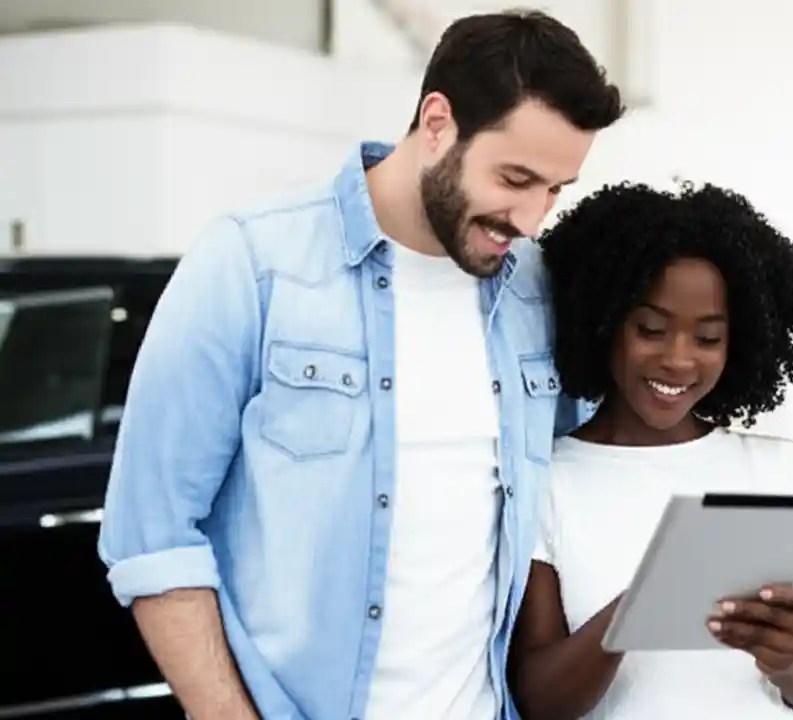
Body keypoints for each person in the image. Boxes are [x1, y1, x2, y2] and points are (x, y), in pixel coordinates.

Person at [96, 10, 623, 720]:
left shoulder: (540, 290)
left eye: (556, 189)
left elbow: (587, 489)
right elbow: (151, 533)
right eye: (516, 177)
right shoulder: (252, 264)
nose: (532, 218)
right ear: (437, 123)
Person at [508, 181, 793, 719]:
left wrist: (789, 660)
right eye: (650, 329)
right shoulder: (549, 481)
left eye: (709, 338)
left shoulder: (783, 471)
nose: (678, 360)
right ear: (602, 322)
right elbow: (539, 702)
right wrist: (638, 610)